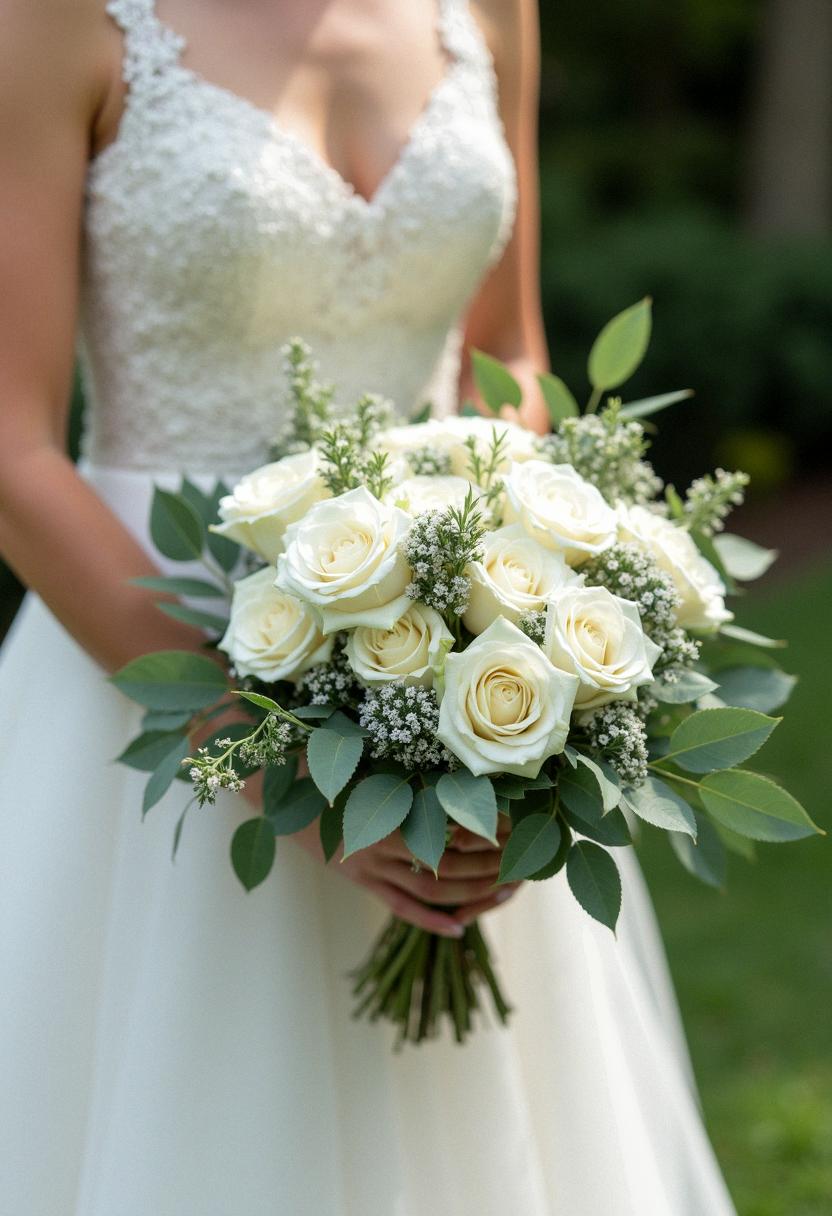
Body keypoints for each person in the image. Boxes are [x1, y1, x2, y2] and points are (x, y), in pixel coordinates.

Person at [0, 1, 737, 1212]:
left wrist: (496, 637)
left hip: (449, 673)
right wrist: (258, 748)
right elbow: (15, 453)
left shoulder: (489, 8)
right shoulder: (59, 19)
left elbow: (509, 355)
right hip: (143, 685)